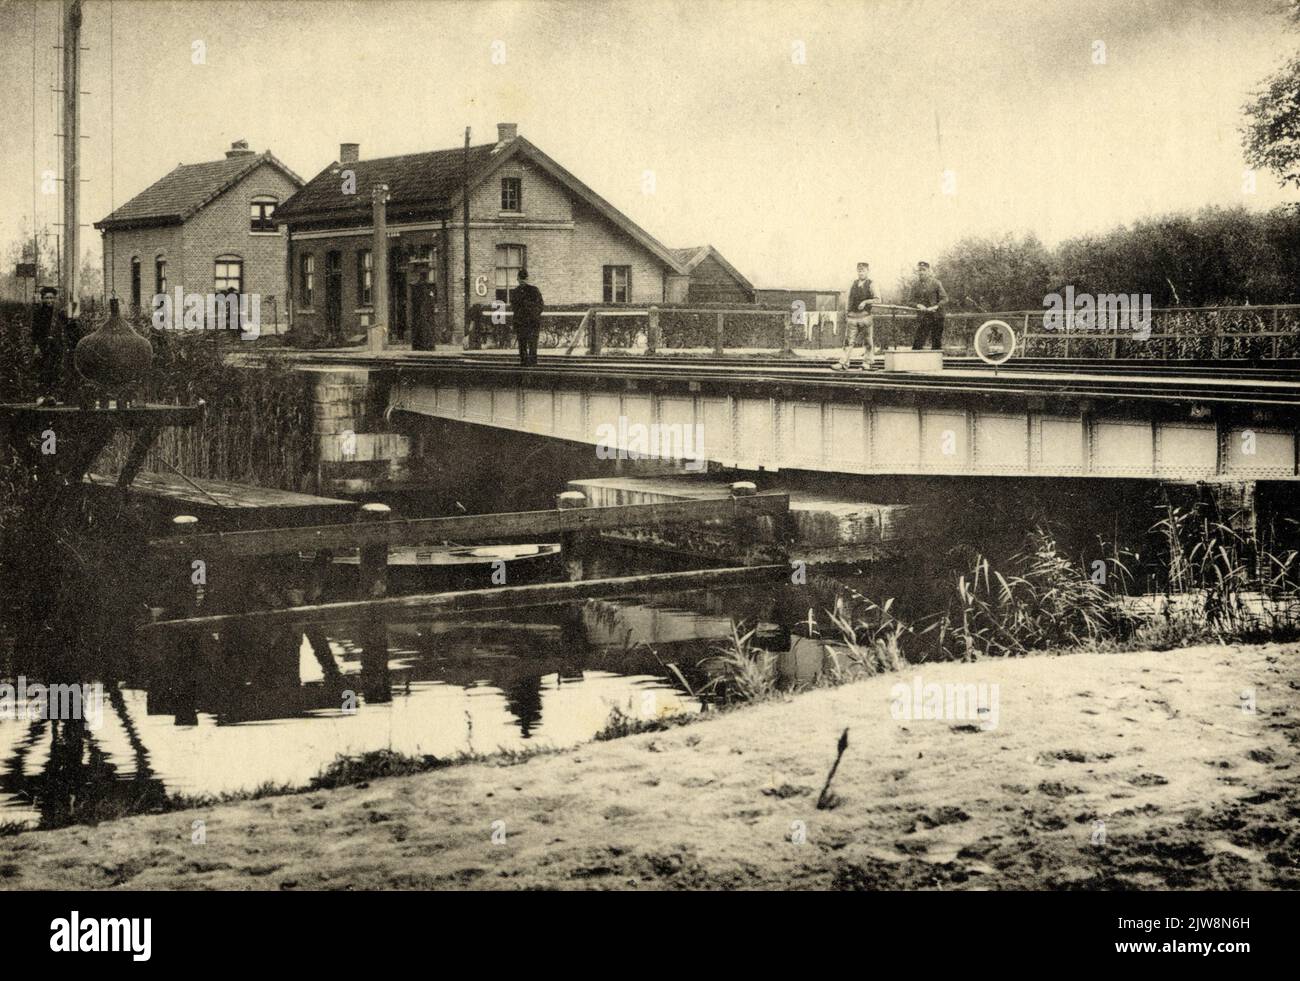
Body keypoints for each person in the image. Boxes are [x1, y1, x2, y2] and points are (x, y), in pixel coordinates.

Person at [836, 261, 881, 370]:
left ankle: (867, 363)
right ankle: (843, 363)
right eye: (859, 270)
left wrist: (865, 302)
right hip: (852, 317)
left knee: (868, 341)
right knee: (848, 341)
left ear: (867, 271)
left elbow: (878, 299)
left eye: (863, 270)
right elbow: (848, 299)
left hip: (865, 317)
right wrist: (847, 313)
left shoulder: (872, 284)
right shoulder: (853, 284)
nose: (861, 273)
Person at [31, 286, 61, 404]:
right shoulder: (38, 313)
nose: (49, 300)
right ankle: (41, 395)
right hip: (43, 345)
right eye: (47, 298)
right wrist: (36, 347)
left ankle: (51, 395)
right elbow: (34, 331)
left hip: (55, 345)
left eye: (51, 298)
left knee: (54, 370)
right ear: (42, 299)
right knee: (43, 369)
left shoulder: (58, 314)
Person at [910, 260, 948, 351]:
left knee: (936, 343)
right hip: (924, 317)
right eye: (919, 270)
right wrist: (918, 305)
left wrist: (935, 306)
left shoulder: (936, 283)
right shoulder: (915, 285)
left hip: (937, 316)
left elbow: (945, 299)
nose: (921, 272)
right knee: (917, 344)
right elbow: (910, 301)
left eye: (923, 270)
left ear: (928, 271)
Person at [510, 268, 544, 367]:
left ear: (518, 279)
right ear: (527, 278)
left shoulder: (515, 292)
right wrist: (534, 315)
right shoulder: (535, 290)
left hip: (521, 323)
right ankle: (533, 367)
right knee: (533, 346)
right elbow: (541, 306)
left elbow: (514, 308)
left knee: (522, 346)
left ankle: (524, 368)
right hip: (533, 323)